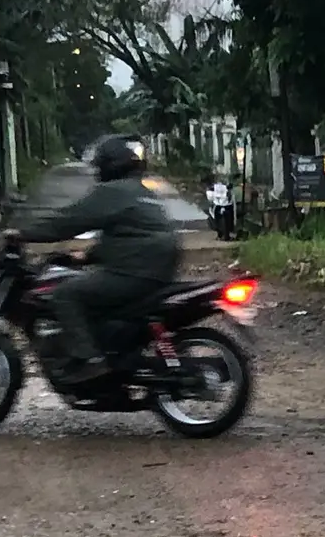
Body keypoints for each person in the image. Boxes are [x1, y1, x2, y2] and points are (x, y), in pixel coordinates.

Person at [13, 135, 178, 386]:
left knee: (65, 294)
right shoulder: (140, 190)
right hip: (154, 268)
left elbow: (68, 221)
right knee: (93, 293)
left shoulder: (112, 191)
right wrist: (88, 256)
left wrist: (22, 233)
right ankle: (111, 349)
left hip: (134, 272)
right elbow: (127, 236)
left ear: (109, 164)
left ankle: (90, 360)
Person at [205, 172, 235, 241]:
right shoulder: (213, 187)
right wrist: (209, 188)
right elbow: (209, 196)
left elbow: (230, 188)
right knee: (209, 210)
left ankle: (230, 230)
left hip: (225, 203)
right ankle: (218, 230)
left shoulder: (226, 188)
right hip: (217, 203)